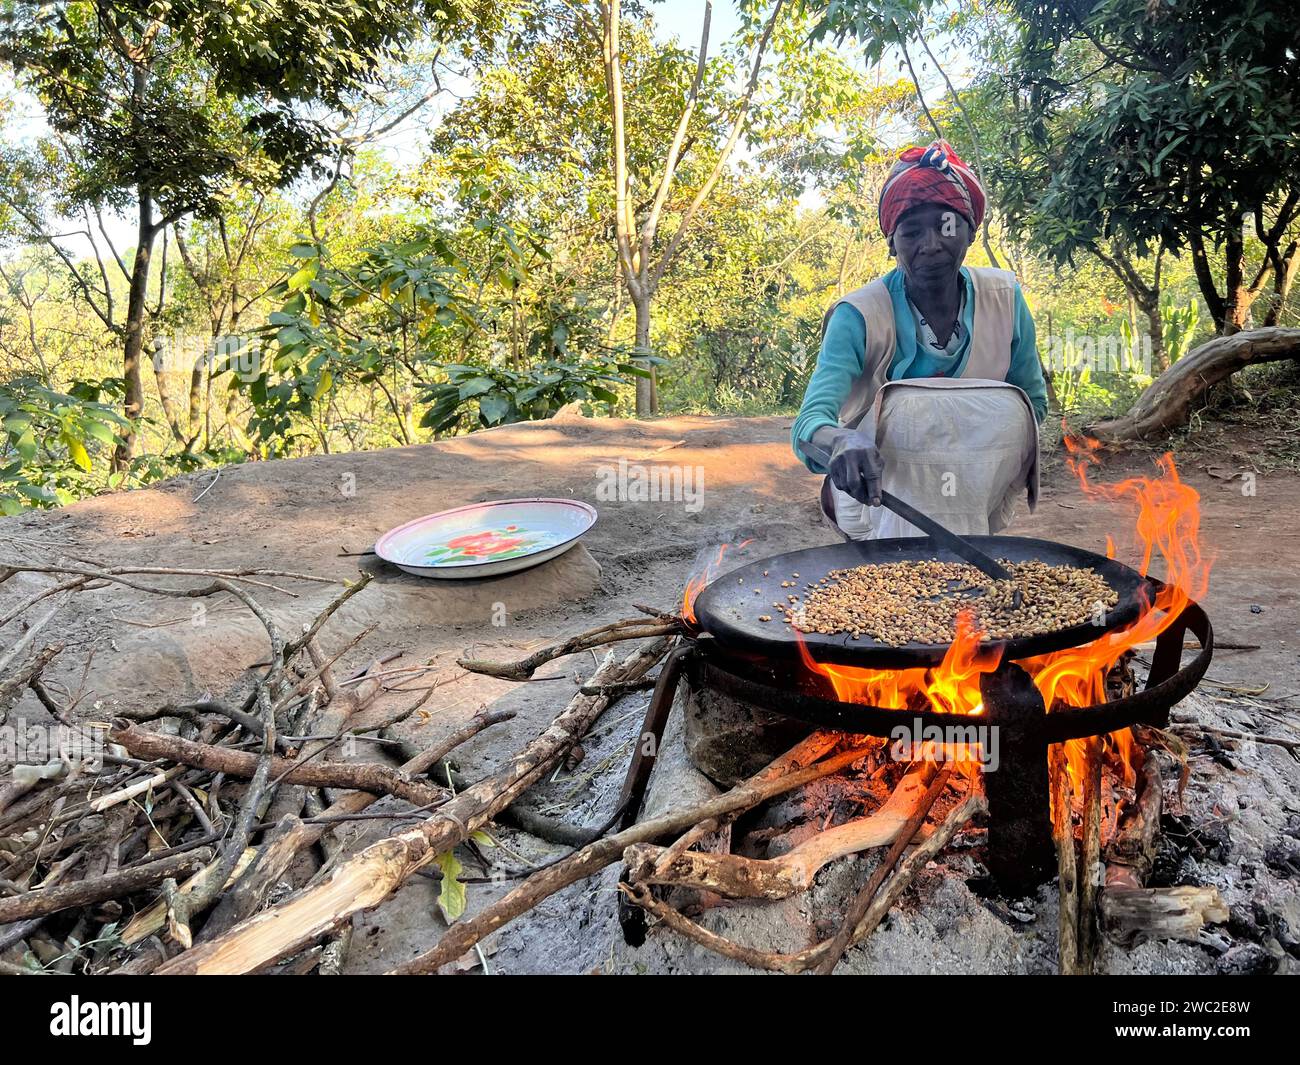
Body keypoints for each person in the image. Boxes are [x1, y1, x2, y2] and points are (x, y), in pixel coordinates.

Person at [792, 140, 1049, 540]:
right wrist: (843, 440)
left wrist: (969, 452)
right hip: (878, 507)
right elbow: (809, 426)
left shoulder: (1004, 300)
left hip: (976, 500)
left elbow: (1033, 403)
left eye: (947, 226)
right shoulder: (859, 316)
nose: (931, 244)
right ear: (892, 242)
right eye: (911, 232)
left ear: (970, 231)